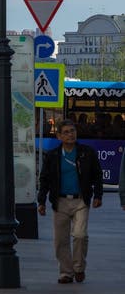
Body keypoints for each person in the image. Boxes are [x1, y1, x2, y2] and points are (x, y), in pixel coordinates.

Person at [37, 118, 103, 284]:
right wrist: (42, 201)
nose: (70, 135)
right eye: (65, 132)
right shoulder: (53, 155)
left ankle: (79, 268)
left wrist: (98, 196)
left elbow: (97, 175)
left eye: (72, 131)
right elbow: (44, 179)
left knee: (80, 235)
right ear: (59, 136)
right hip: (60, 202)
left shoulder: (87, 153)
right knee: (61, 240)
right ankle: (66, 272)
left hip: (81, 201)